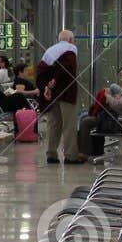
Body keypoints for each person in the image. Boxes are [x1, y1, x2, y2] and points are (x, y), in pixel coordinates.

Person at [36, 29, 84, 164]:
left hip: (51, 95)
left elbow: (40, 71)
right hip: (66, 93)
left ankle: (51, 154)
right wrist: (56, 80)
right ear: (70, 40)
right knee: (69, 124)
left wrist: (46, 86)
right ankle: (71, 155)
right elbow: (68, 67)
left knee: (53, 124)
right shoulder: (71, 49)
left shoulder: (50, 51)